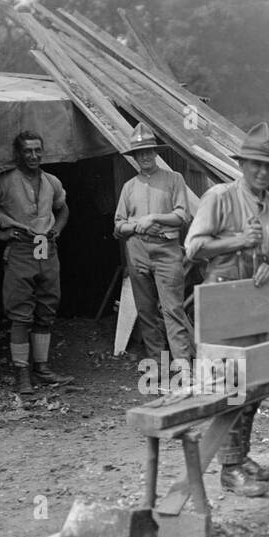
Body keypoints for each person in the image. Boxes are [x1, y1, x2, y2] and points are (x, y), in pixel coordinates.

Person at [185, 122, 269, 497]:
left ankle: (241, 457)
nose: (262, 172)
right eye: (255, 165)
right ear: (242, 165)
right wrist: (236, 241)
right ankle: (229, 468)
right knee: (229, 384)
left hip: (254, 299)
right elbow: (193, 246)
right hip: (220, 296)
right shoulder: (219, 197)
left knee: (255, 381)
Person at [0, 130, 73, 394]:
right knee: (21, 314)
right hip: (21, 249)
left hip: (46, 249)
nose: (34, 156)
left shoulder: (52, 181)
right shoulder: (4, 182)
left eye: (38, 150)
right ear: (18, 154)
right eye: (28, 151)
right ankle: (22, 374)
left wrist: (58, 228)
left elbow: (63, 208)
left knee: (46, 309)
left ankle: (42, 368)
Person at [113, 124, 194, 373]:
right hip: (137, 251)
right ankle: (158, 365)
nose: (145, 157)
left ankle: (183, 366)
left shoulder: (173, 180)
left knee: (173, 308)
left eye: (148, 152)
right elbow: (118, 225)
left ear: (156, 154)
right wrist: (137, 225)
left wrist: (155, 218)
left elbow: (183, 214)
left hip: (167, 250)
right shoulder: (129, 187)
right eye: (140, 154)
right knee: (145, 309)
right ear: (135, 158)